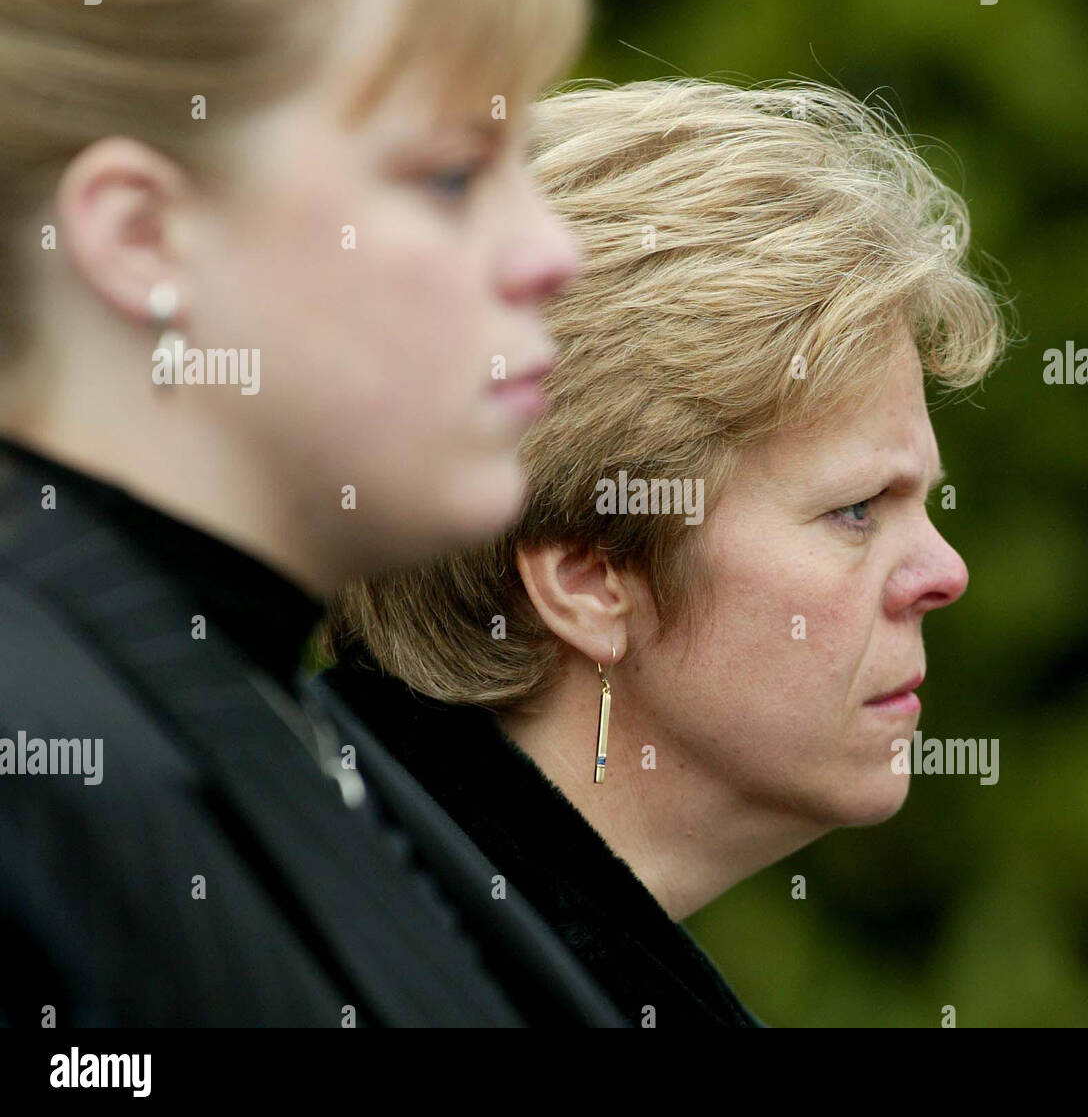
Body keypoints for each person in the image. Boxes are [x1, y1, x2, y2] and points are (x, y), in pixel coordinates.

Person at [0, 0, 624, 1027]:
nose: (552, 252)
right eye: (451, 176)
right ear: (142, 235)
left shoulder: (257, 704)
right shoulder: (41, 774)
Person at [319, 79, 1007, 1027]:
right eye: (855, 510)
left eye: (919, 502)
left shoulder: (371, 886)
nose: (945, 573)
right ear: (590, 577)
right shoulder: (313, 965)